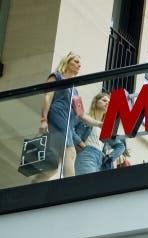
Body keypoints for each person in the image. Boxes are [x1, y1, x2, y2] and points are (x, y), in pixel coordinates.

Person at [34, 52, 85, 181]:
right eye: (76, 61)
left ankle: (33, 184)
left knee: (54, 167)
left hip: (67, 124)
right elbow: (48, 96)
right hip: (57, 118)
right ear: (67, 62)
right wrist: (44, 119)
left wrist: (98, 123)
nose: (79, 65)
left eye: (80, 63)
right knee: (70, 152)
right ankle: (71, 187)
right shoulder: (56, 77)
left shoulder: (75, 90)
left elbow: (82, 115)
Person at [74, 92, 126, 175]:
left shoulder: (104, 127)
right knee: (87, 183)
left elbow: (121, 146)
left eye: (109, 102)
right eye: (104, 100)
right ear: (96, 102)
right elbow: (70, 130)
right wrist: (81, 144)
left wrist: (109, 157)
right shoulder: (85, 118)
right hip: (87, 154)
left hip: (100, 161)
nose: (107, 103)